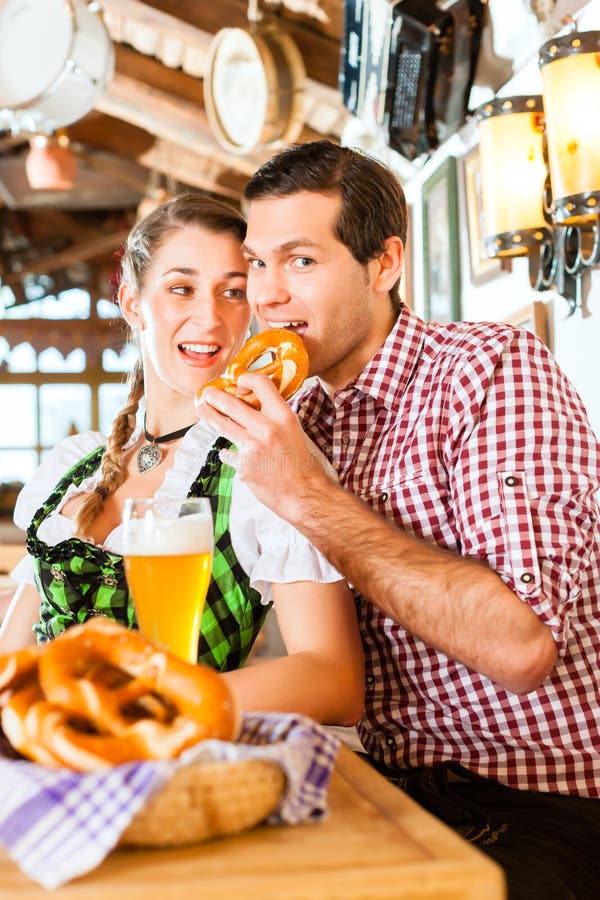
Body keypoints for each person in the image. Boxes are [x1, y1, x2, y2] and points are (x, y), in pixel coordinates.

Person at [196, 140, 600, 899]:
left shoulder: (486, 372)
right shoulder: (295, 412)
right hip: (373, 782)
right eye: (257, 264)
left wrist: (311, 498)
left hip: (539, 800)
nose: (268, 297)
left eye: (301, 262)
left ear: (384, 264)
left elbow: (521, 648)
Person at [0, 192, 364, 727]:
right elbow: (14, 658)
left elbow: (332, 680)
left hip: (177, 769)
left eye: (233, 292)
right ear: (131, 303)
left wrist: (146, 709)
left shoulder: (265, 463)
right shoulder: (71, 465)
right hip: (48, 761)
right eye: (181, 288)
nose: (209, 317)